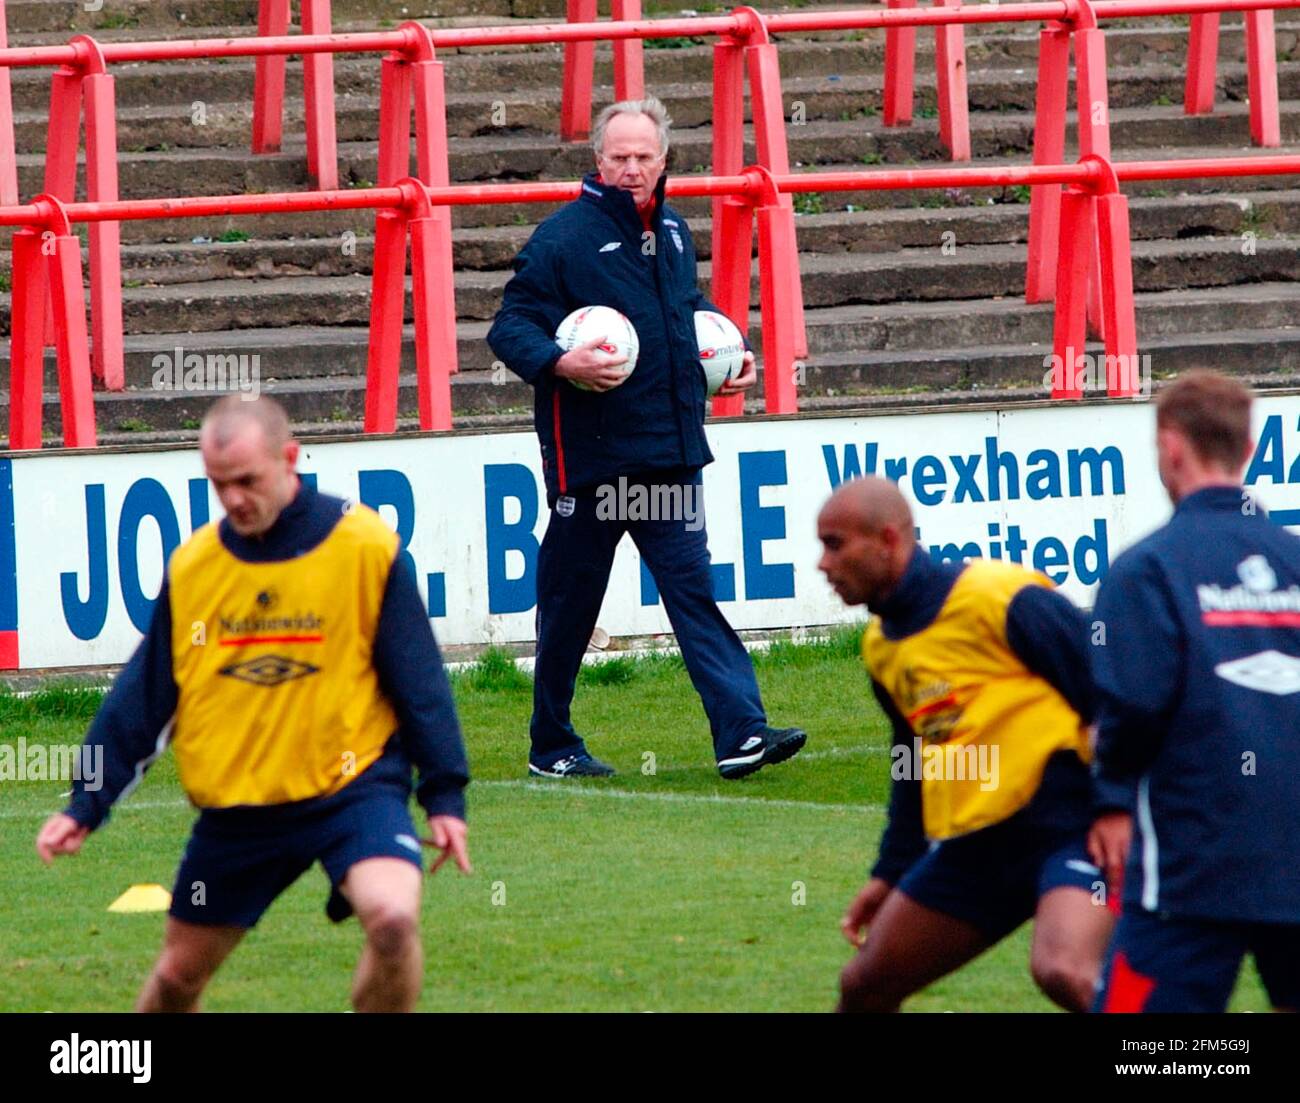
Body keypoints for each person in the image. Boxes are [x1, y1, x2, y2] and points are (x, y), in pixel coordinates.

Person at [35, 395, 471, 1013]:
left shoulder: (364, 546)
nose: (234, 499)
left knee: (394, 921)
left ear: (289, 459)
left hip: (352, 789)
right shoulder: (195, 568)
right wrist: (87, 802)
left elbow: (419, 679)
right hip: (239, 812)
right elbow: (144, 697)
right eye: (219, 485)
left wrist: (444, 795)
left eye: (247, 481)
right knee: (177, 981)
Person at [487, 95, 805, 780]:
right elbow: (510, 326)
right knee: (571, 608)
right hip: (594, 466)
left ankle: (741, 731)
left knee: (692, 591)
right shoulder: (562, 239)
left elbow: (685, 312)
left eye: (644, 157)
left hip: (669, 455)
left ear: (664, 161)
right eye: (619, 156)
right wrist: (561, 361)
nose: (632, 168)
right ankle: (553, 744)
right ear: (598, 161)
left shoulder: (675, 231)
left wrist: (729, 355)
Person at [817, 477, 1114, 1012]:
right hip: (976, 850)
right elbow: (911, 767)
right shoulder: (882, 647)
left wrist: (1119, 810)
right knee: (863, 987)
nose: (822, 563)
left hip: (1071, 831)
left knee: (1064, 969)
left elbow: (1111, 697)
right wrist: (890, 873)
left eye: (834, 544)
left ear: (888, 539)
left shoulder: (999, 596)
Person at [1089, 371, 1300, 1013]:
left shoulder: (1146, 569)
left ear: (1170, 449)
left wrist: (1110, 800)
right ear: (1248, 448)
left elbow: (1133, 706)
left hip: (1191, 865)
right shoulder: (1294, 561)